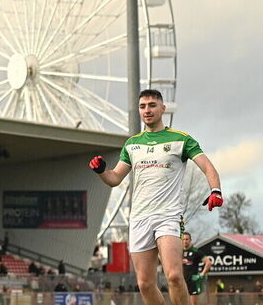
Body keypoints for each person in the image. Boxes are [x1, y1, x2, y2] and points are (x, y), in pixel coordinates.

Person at [88, 89, 223, 305]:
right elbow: (114, 178)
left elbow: (208, 167)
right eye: (142, 106)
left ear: (163, 108)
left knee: (174, 276)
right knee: (145, 284)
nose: (147, 110)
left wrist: (215, 190)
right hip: (140, 219)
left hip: (168, 216)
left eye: (152, 105)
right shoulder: (132, 144)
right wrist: (102, 170)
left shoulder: (181, 139)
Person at [181, 232, 212, 305]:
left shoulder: (196, 251)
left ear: (190, 240)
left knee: (193, 303)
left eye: (187, 239)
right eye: (183, 239)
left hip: (193, 280)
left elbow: (208, 262)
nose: (185, 241)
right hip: (181, 281)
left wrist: (202, 274)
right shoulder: (179, 251)